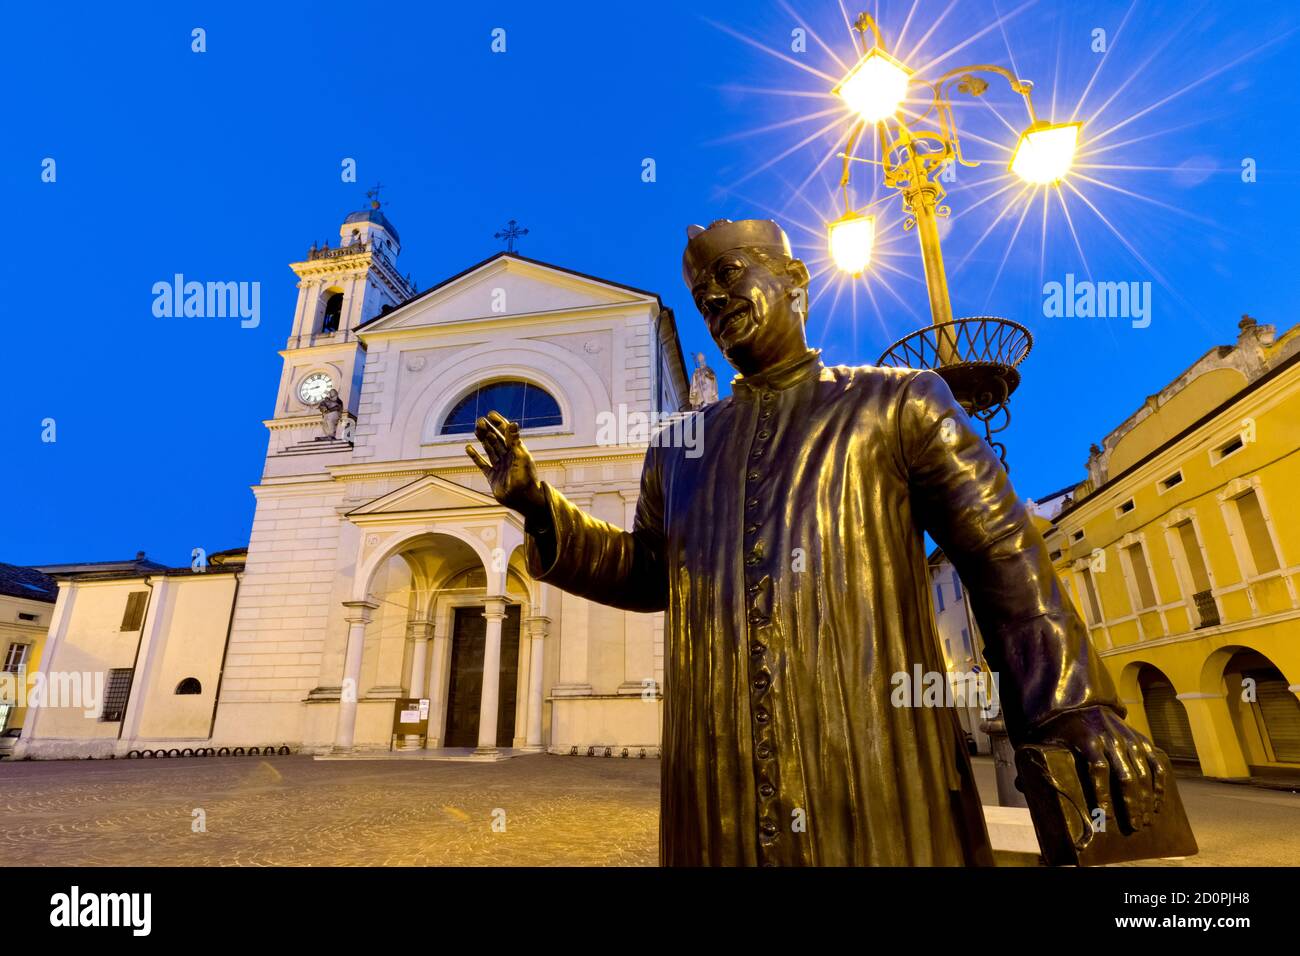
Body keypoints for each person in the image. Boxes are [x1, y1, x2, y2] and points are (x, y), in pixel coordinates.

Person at [466, 218, 1163, 866]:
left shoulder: (900, 401)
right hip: (716, 783)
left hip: (877, 764)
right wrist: (539, 502)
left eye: (731, 275)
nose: (714, 299)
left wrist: (1072, 705)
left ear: (797, 282)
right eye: (702, 295)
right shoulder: (677, 449)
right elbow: (649, 571)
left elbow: (1004, 556)